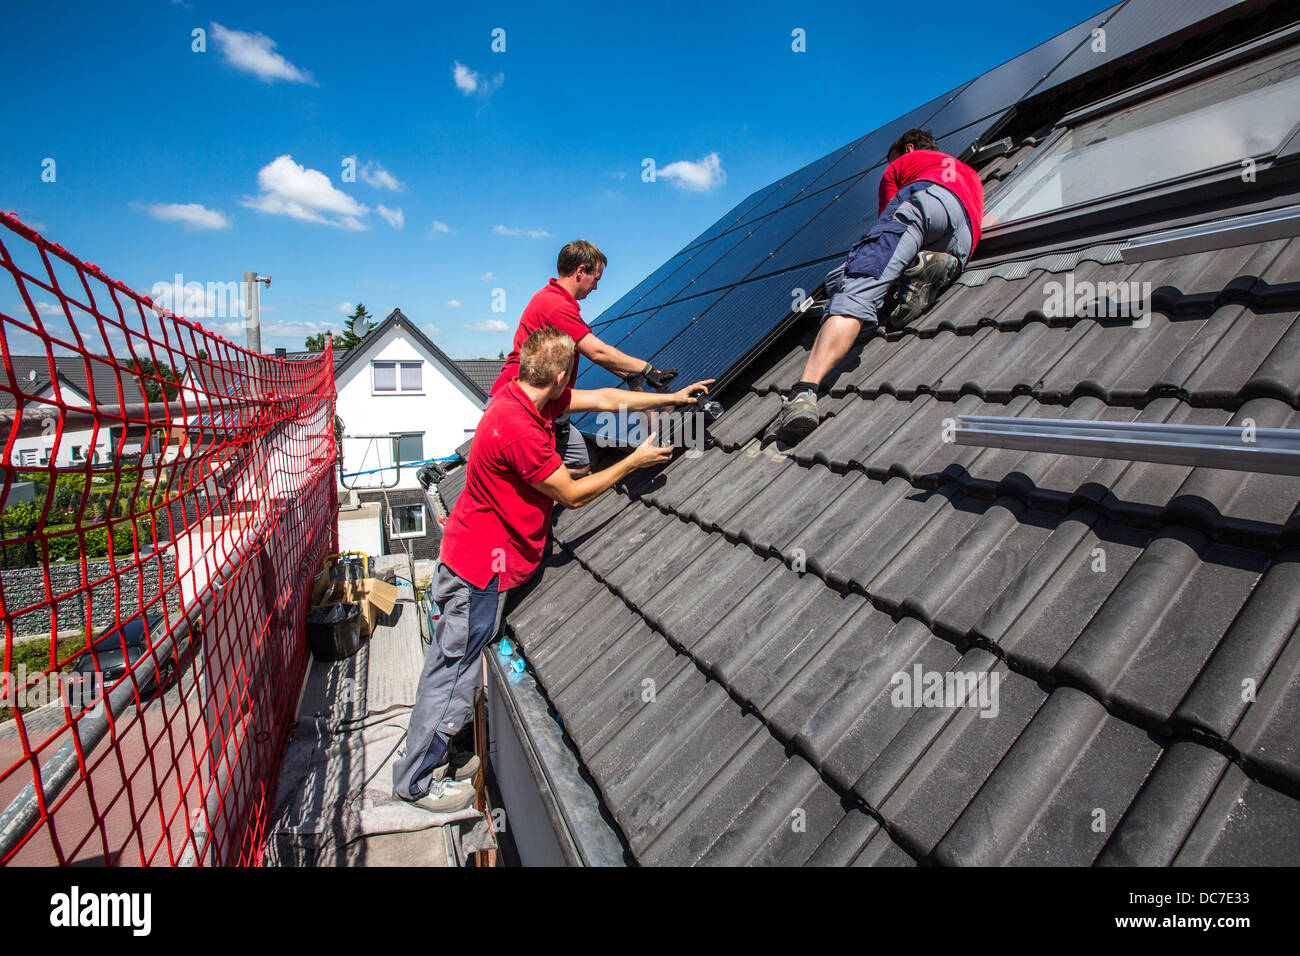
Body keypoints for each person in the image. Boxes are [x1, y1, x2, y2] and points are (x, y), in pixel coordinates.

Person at [393, 327, 712, 812]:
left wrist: (670, 397)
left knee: (451, 664)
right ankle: (415, 781)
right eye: (571, 377)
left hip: (467, 556)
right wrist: (635, 460)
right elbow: (573, 495)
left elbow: (605, 397)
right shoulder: (519, 430)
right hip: (480, 573)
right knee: (453, 672)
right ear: (560, 376)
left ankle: (440, 753)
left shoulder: (521, 396)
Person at [769, 128, 985, 444]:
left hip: (924, 203)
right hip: (964, 236)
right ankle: (925, 267)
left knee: (859, 283)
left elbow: (888, 220)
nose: (890, 165)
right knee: (904, 258)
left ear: (908, 149)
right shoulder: (970, 174)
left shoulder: (901, 165)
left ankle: (804, 393)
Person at [489, 240, 677, 477]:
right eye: (595, 279)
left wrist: (631, 375)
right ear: (580, 271)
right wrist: (646, 368)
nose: (595, 287)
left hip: (549, 404)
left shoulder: (554, 300)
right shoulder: (556, 305)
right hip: (521, 403)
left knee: (582, 462)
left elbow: (597, 354)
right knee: (531, 472)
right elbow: (597, 352)